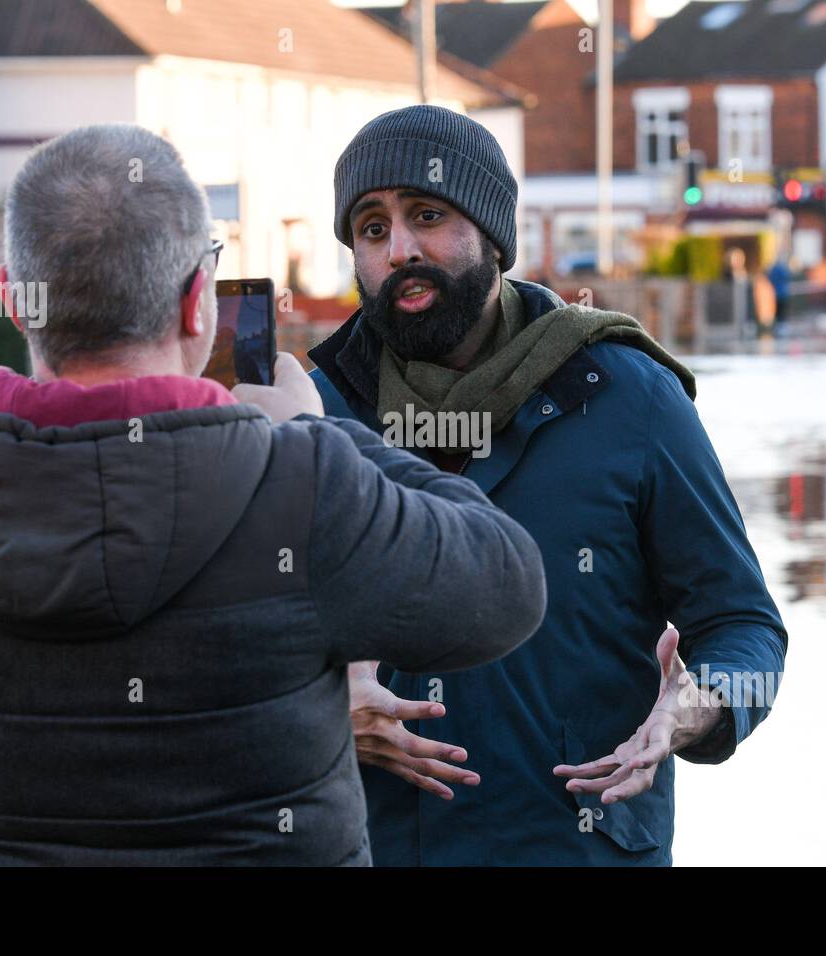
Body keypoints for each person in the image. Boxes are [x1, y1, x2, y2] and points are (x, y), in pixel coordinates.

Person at [0, 123, 548, 866]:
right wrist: (322, 436)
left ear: (15, 301)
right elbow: (507, 585)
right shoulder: (303, 489)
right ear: (199, 302)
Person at [312, 105, 788, 866]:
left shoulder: (629, 396)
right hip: (378, 846)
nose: (399, 249)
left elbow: (746, 626)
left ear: (494, 234)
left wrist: (698, 707)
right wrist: (320, 706)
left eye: (427, 216)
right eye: (372, 229)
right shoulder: (316, 410)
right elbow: (229, 644)